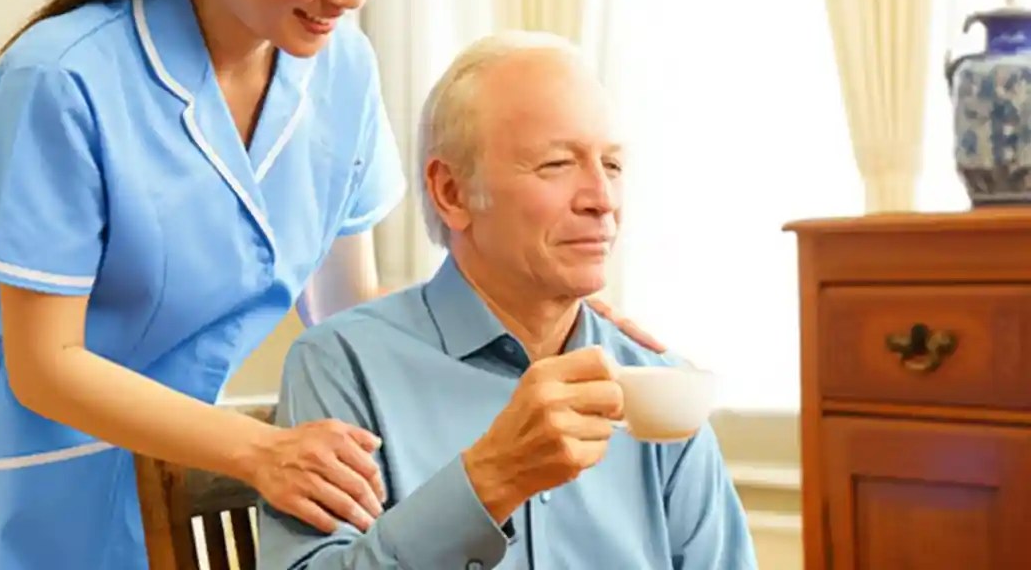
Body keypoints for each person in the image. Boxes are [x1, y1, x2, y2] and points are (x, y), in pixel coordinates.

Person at [0, 0, 666, 568]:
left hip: (190, 488)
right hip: (36, 505)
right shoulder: (63, 77)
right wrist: (258, 449)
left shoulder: (342, 72)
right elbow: (45, 365)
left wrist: (535, 312)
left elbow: (346, 311)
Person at [258, 31, 757, 569]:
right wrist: (487, 482)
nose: (601, 199)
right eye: (557, 165)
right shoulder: (341, 364)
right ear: (452, 193)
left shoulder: (659, 387)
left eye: (612, 166)